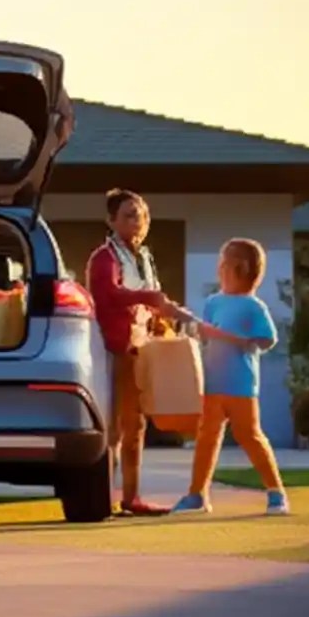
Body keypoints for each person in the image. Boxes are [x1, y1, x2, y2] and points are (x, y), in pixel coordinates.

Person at [171, 239, 290, 516]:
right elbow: (205, 336)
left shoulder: (254, 306)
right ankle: (197, 494)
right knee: (207, 436)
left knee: (249, 435)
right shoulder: (213, 302)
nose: (220, 269)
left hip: (241, 385)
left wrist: (229, 337)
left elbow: (266, 340)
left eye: (225, 264)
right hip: (213, 383)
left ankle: (276, 493)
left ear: (241, 269)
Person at [85, 188, 180, 517]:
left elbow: (147, 297)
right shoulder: (104, 257)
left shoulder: (143, 257)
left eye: (142, 215)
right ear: (111, 221)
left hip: (140, 348)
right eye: (129, 215)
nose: (138, 221)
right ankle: (101, 497)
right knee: (112, 428)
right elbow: (108, 295)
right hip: (114, 349)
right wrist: (150, 298)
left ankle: (131, 497)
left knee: (136, 425)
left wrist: (159, 315)